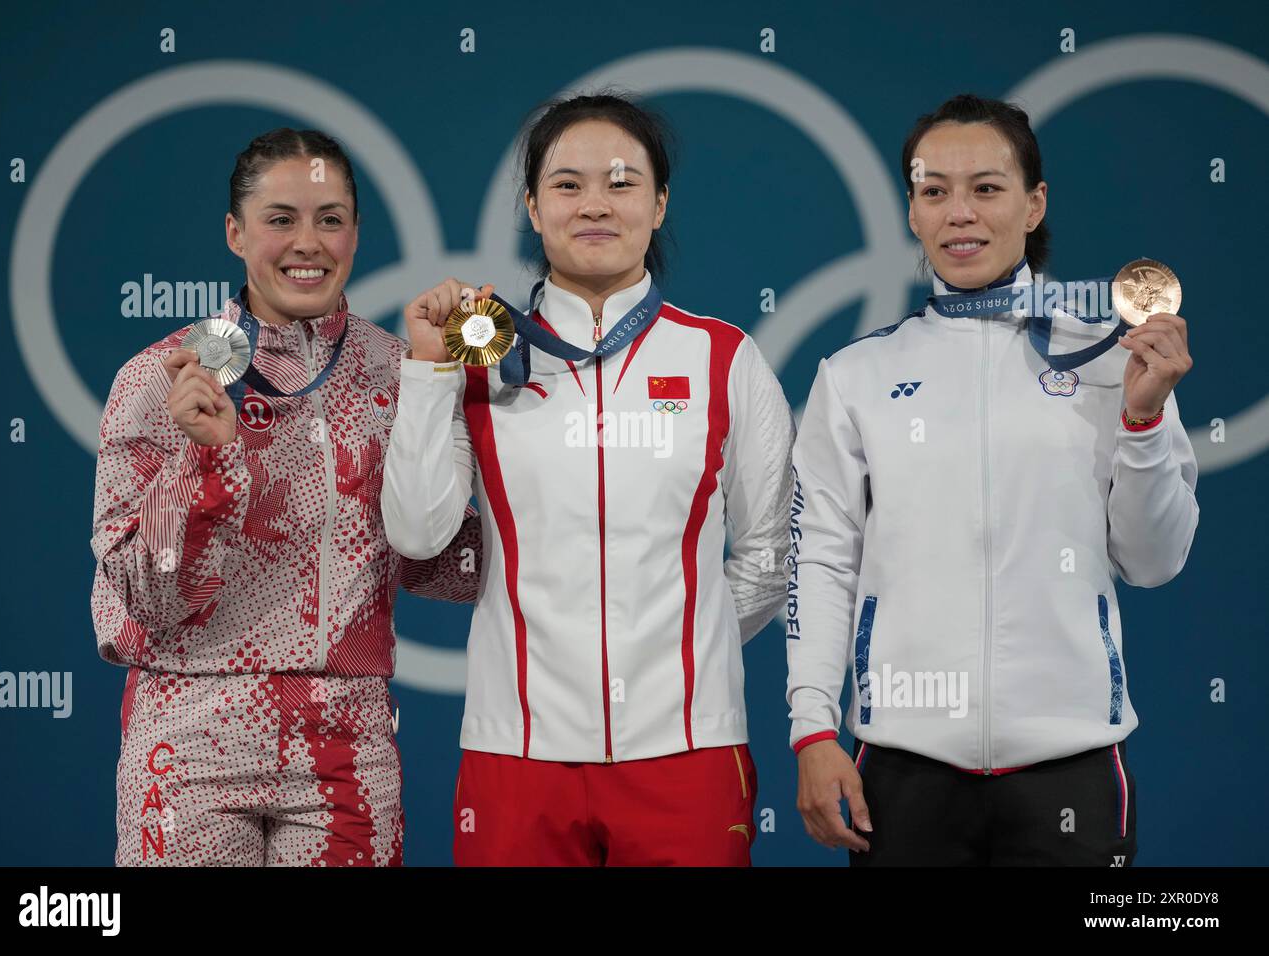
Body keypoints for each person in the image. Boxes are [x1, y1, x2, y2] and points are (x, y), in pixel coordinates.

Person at [381, 92, 794, 866]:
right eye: (567, 185)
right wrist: (430, 370)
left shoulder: (724, 359)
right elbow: (415, 532)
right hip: (517, 749)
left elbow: (768, 563)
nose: (595, 204)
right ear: (533, 209)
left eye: (622, 182)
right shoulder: (481, 354)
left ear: (660, 203)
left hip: (690, 748)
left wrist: (679, 650)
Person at [787, 94, 1198, 866]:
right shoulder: (855, 377)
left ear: (1034, 204)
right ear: (910, 211)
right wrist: (812, 729)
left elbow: (1154, 560)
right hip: (904, 765)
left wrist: (1143, 421)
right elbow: (820, 562)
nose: (959, 213)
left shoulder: (1115, 360)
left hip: (1070, 766)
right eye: (934, 190)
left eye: (987, 187)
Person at [91, 128, 481, 866]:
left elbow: (436, 564)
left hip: (347, 745)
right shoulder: (156, 380)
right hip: (189, 739)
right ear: (235, 233)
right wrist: (203, 464)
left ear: (357, 234)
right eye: (281, 219)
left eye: (330, 218)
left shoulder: (401, 372)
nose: (309, 242)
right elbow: (149, 597)